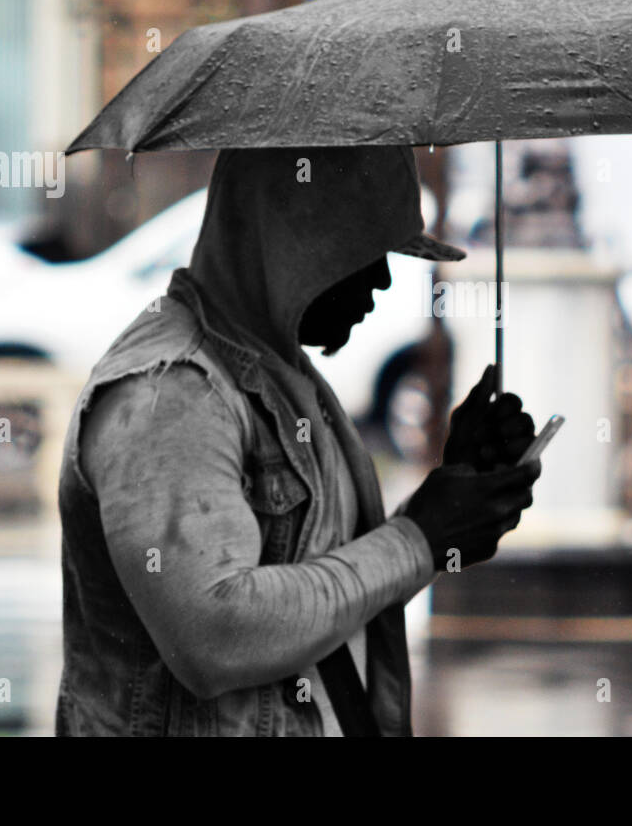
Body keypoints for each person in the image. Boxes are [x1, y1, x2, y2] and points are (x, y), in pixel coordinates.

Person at [56, 145, 540, 736]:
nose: (385, 280)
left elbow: (319, 596)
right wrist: (421, 538)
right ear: (295, 242)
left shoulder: (282, 378)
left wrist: (446, 502)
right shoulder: (172, 395)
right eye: (368, 254)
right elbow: (215, 636)